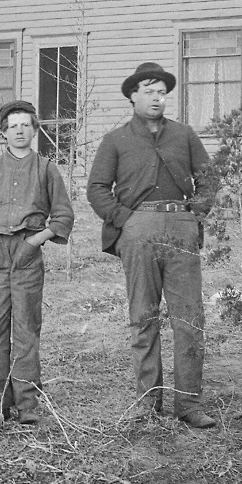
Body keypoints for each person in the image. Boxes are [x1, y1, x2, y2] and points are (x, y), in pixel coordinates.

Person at [87, 62, 216, 428]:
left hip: (181, 226)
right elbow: (96, 188)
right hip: (136, 227)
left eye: (161, 91)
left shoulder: (185, 135)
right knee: (143, 318)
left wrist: (194, 214)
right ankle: (148, 404)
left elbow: (209, 179)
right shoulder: (116, 139)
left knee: (190, 320)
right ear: (132, 95)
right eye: (148, 90)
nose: (157, 97)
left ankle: (189, 405)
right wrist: (124, 220)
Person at [0, 100, 74, 427]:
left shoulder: (46, 169)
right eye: (13, 126)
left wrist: (34, 242)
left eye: (26, 124)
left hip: (27, 257)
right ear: (4, 132)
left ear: (35, 129)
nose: (20, 131)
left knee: (26, 332)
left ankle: (27, 406)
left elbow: (64, 215)